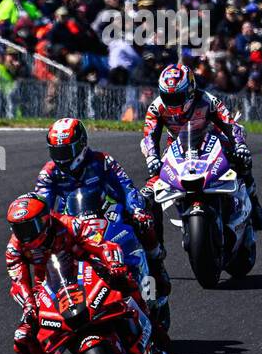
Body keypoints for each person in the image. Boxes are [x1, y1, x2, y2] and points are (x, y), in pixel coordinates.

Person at [5, 194, 141, 354]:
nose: (24, 235)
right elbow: (19, 283)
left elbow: (102, 244)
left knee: (125, 281)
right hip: (50, 285)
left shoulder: (68, 224)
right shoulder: (15, 248)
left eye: (28, 227)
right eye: (18, 229)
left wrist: (114, 265)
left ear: (44, 219)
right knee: (22, 339)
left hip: (86, 269)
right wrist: (29, 308)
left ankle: (152, 328)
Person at [33, 117, 170, 299]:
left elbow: (126, 187)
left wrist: (136, 209)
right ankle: (51, 295)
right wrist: (42, 228)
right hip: (72, 219)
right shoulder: (49, 173)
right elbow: (42, 205)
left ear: (81, 145)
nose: (62, 158)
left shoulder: (102, 161)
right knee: (48, 250)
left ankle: (155, 260)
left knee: (144, 208)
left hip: (108, 210)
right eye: (57, 152)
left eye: (66, 151)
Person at [141, 63, 262, 230]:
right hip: (177, 147)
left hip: (213, 140)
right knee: (149, 193)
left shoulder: (208, 100)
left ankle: (253, 200)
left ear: (190, 90)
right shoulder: (156, 107)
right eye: (168, 97)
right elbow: (149, 135)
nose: (173, 103)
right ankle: (157, 250)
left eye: (178, 97)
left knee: (242, 160)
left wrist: (240, 145)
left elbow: (230, 124)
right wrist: (152, 157)